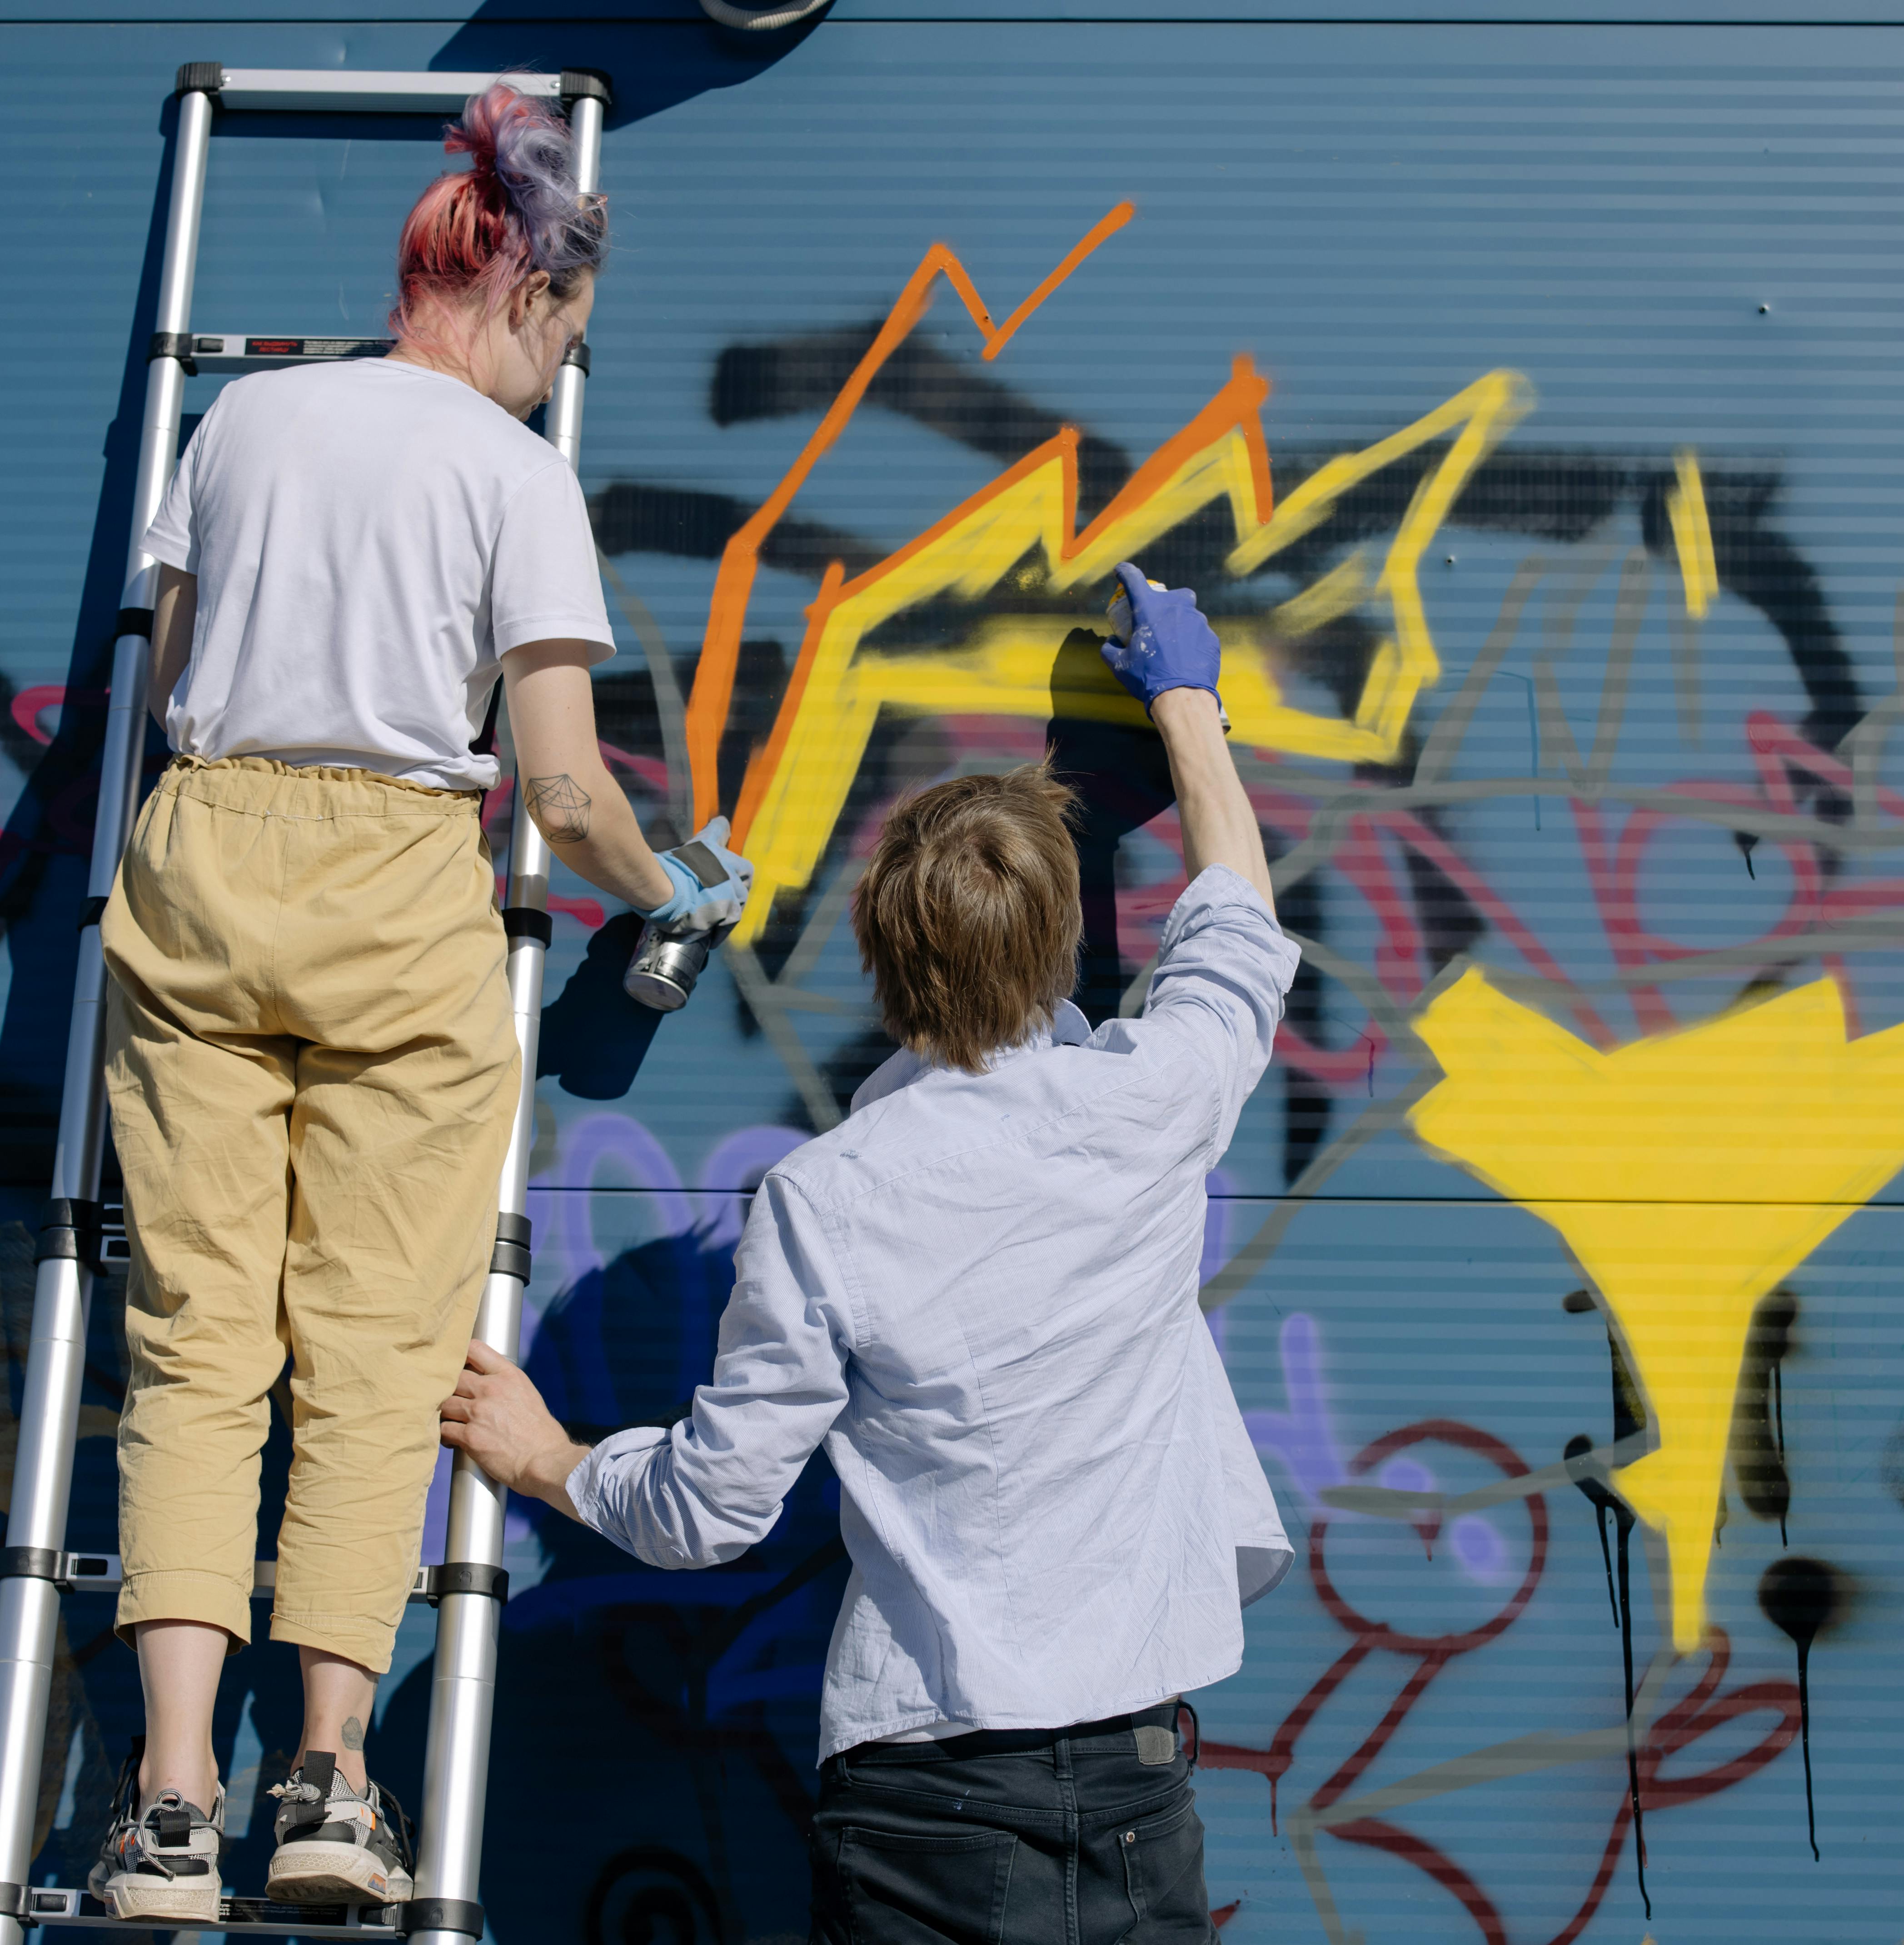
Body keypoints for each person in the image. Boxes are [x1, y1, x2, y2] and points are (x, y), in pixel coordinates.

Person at [87, 81, 752, 1923]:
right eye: (567, 340)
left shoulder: (240, 421)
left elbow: (166, 686)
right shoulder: (513, 475)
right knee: (377, 1355)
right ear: (525, 296)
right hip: (395, 881)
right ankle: (326, 1777)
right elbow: (563, 789)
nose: (560, 374)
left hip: (203, 852)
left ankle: (165, 1804)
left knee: (195, 1348)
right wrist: (671, 886)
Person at [441, 563, 1293, 1941]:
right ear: (1064, 941)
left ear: (883, 967)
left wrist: (547, 1460)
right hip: (1139, 1788)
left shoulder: (826, 1197)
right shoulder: (1153, 1104)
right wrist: (1186, 703)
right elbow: (1237, 927)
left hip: (925, 1803)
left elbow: (714, 1508)